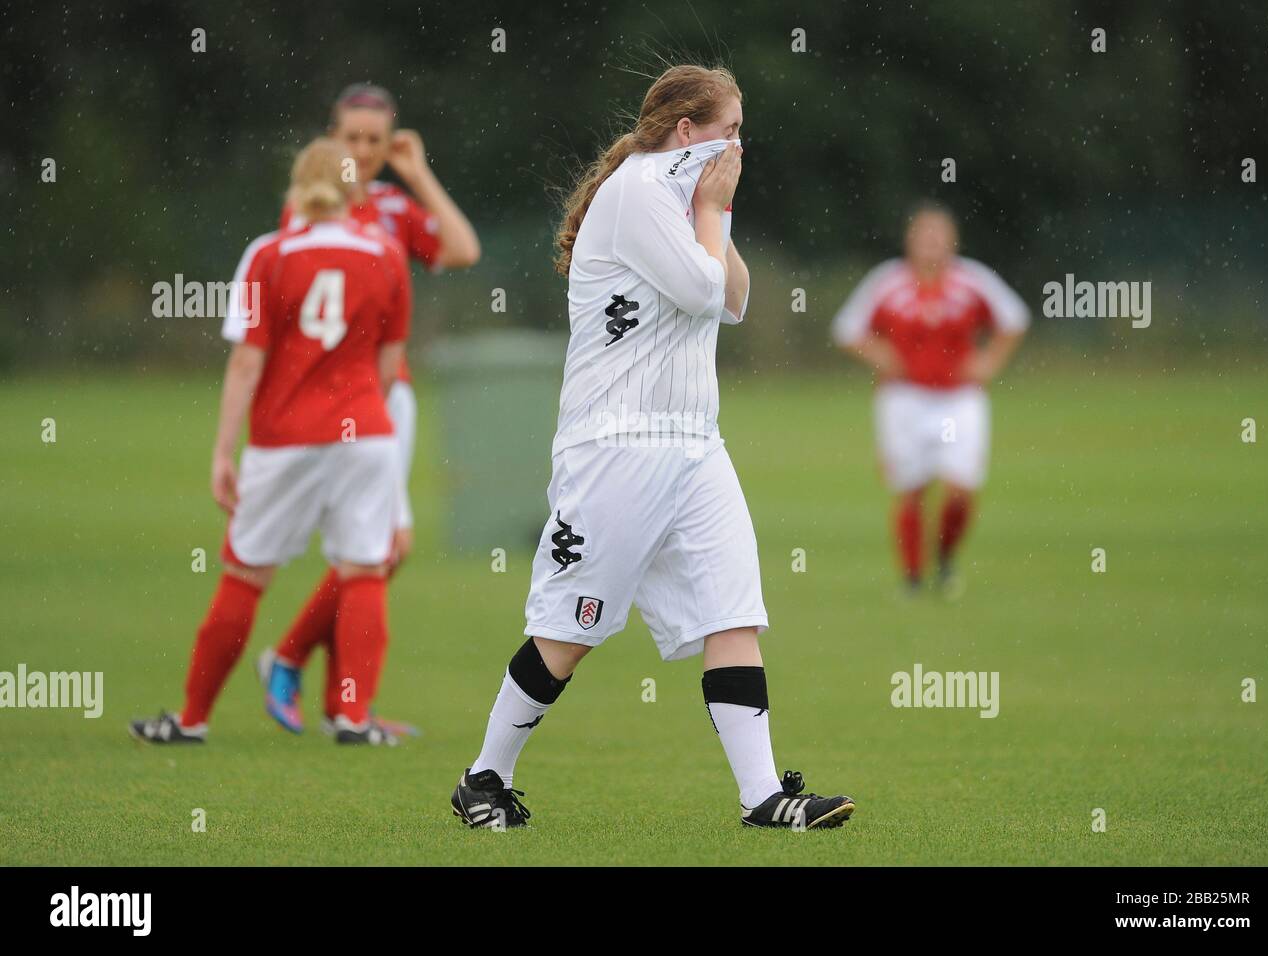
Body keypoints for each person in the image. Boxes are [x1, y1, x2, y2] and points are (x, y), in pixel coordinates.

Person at [450, 65, 855, 830]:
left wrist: (714, 209)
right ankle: (483, 778)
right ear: (685, 132)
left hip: (696, 443)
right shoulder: (638, 190)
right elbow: (705, 291)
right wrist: (712, 206)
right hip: (616, 446)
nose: (739, 145)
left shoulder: (688, 199)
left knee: (734, 612)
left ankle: (763, 796)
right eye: (729, 130)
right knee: (571, 630)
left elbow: (732, 299)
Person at [129, 138, 412, 745]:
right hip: (366, 432)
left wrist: (222, 450)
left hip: (284, 436)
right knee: (363, 568)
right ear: (352, 190)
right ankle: (353, 719)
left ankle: (193, 721)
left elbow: (245, 364)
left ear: (298, 185)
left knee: (245, 574)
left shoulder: (270, 254)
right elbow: (391, 366)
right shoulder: (386, 254)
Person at [258, 83, 480, 736]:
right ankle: (335, 698)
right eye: (349, 138)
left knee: (383, 549)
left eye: (374, 142)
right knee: (379, 547)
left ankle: (321, 686)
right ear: (331, 139)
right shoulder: (306, 209)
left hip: (388, 395)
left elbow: (463, 250)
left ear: (389, 147)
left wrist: (419, 174)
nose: (359, 151)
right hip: (329, 405)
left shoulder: (391, 206)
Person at [831, 202, 1029, 596]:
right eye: (924, 234)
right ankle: (912, 578)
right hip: (904, 399)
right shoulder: (887, 282)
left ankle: (945, 557)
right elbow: (846, 329)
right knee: (912, 487)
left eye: (939, 235)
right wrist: (878, 354)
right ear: (910, 240)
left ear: (952, 241)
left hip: (960, 400)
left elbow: (1015, 319)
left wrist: (989, 362)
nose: (931, 243)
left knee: (961, 488)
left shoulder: (972, 281)